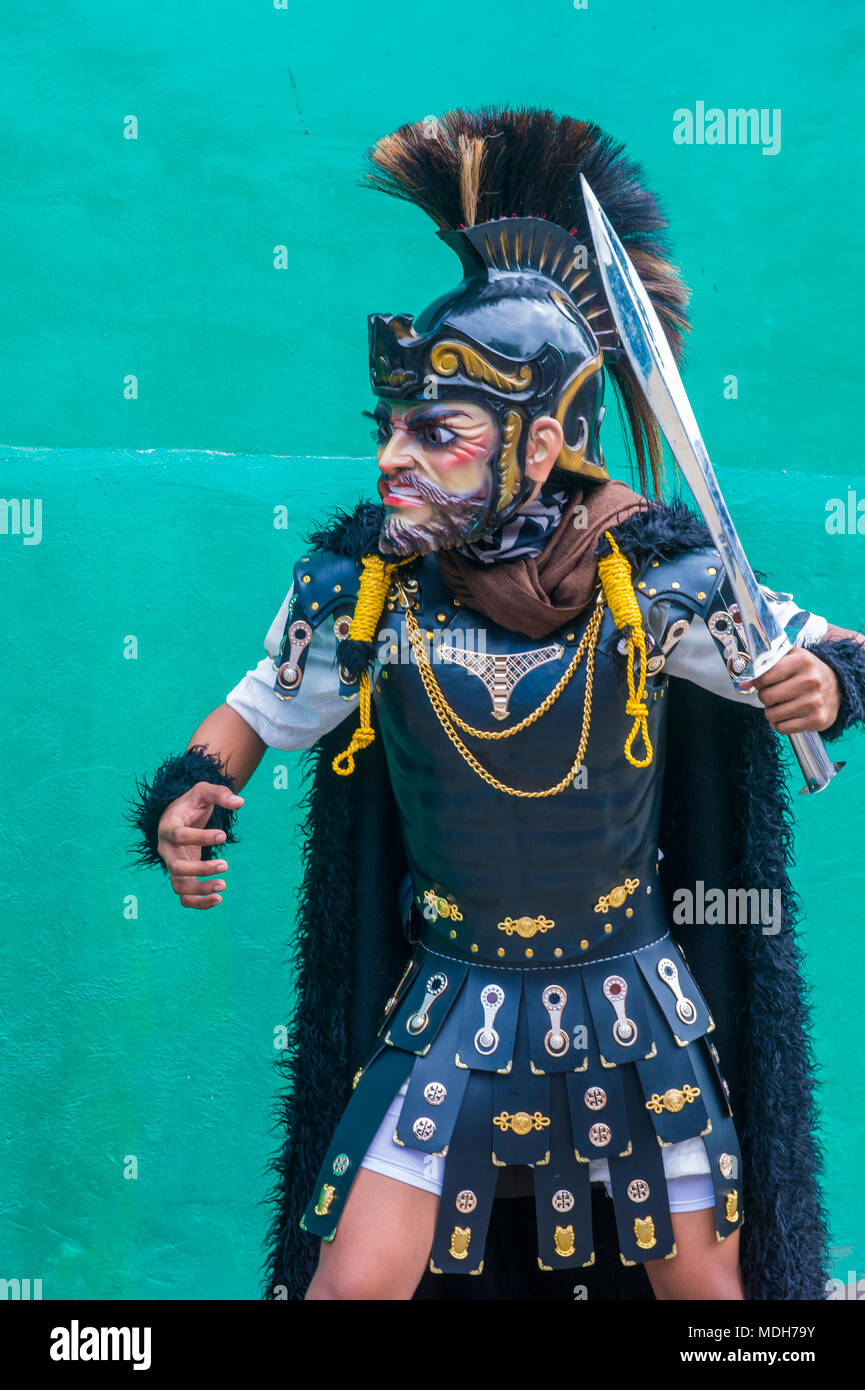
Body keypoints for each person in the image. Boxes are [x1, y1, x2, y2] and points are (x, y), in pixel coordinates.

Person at [127, 107, 865, 1302]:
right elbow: (251, 717)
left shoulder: (656, 580)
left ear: (543, 442)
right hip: (451, 998)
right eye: (389, 429)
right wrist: (188, 795)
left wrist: (830, 680)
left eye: (438, 431)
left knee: (711, 1302)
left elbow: (833, 652)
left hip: (634, 1001)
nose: (393, 460)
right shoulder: (365, 590)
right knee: (348, 1283)